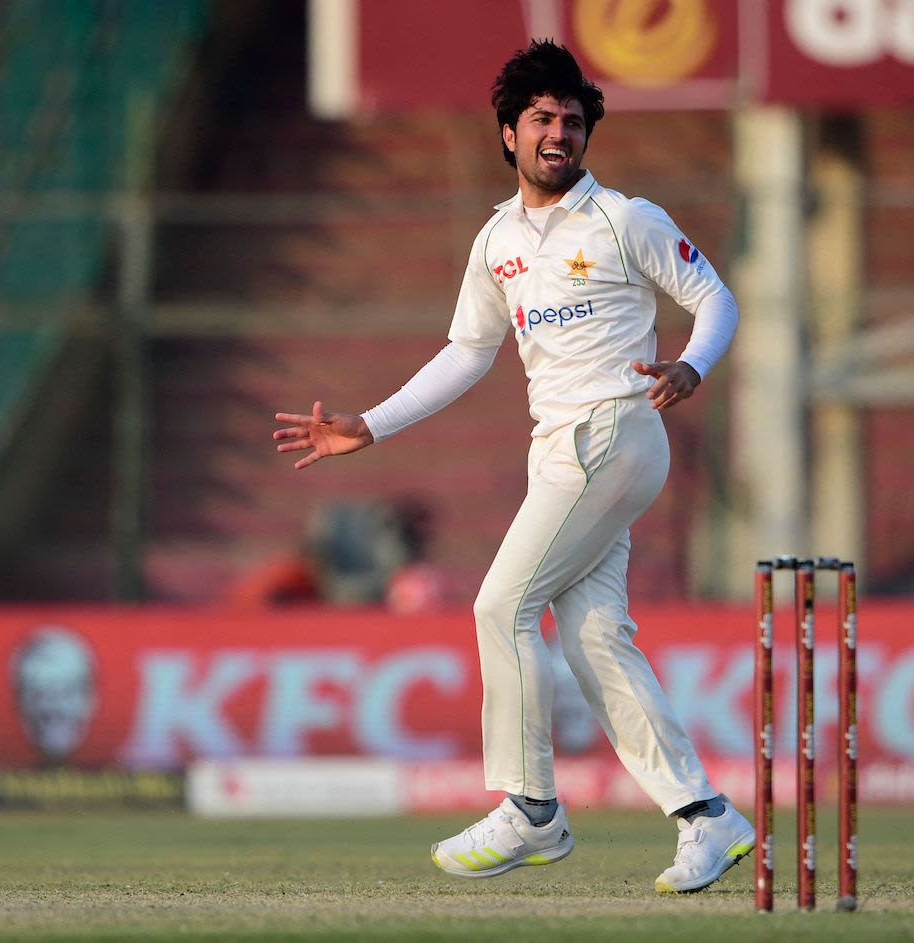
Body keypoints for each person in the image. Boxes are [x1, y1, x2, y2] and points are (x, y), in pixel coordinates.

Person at [274, 40, 750, 893]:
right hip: (558, 453)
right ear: (509, 133)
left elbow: (714, 297)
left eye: (572, 120)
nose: (558, 133)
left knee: (501, 605)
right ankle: (707, 816)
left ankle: (533, 809)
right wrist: (370, 427)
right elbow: (467, 352)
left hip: (612, 430)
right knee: (598, 637)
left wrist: (691, 365)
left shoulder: (625, 219)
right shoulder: (497, 240)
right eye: (542, 119)